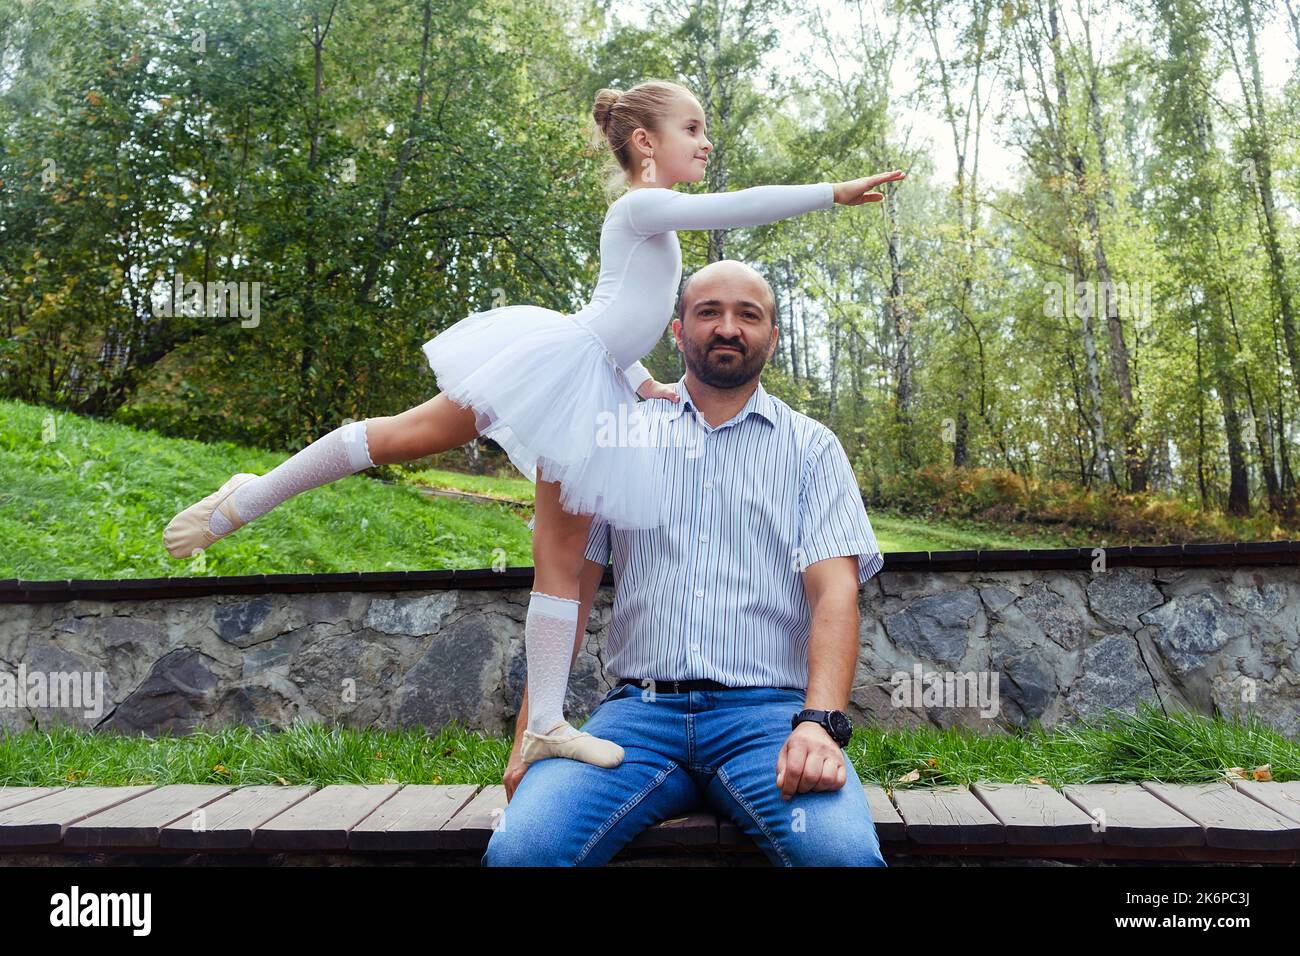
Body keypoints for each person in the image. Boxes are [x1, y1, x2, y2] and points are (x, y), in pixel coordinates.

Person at [161, 76, 904, 771]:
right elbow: (737, 208)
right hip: (560, 364)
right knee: (408, 437)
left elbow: (623, 317)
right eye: (692, 127)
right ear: (646, 142)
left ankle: (546, 722)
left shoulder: (651, 223)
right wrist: (831, 193)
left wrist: (640, 379)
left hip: (593, 376)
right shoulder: (643, 206)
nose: (705, 142)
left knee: (562, 552)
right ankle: (253, 493)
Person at [484, 259, 888, 866]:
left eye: (747, 315)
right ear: (678, 331)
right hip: (636, 723)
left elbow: (835, 594)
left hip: (769, 721)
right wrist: (527, 738)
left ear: (772, 337)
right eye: (709, 312)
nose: (728, 327)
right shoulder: (618, 437)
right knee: (523, 852)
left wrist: (820, 724)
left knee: (844, 859)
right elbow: (568, 592)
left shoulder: (812, 448)